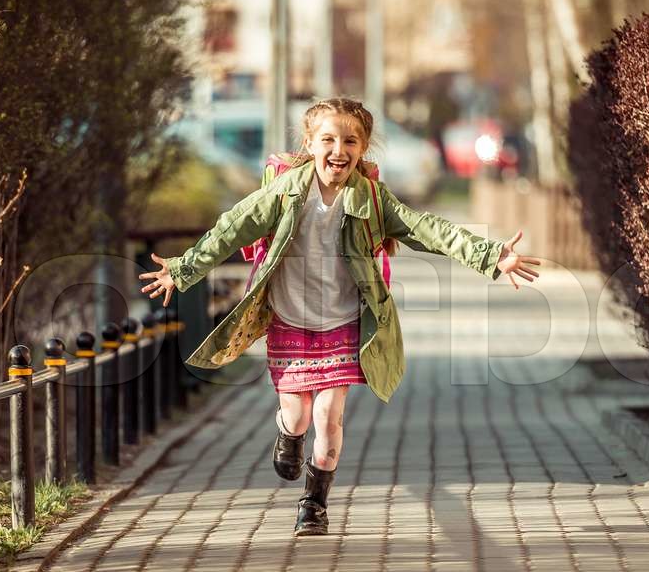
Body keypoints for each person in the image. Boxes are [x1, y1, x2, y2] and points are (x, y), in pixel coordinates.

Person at [139, 97, 540, 536]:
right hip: (290, 321)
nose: (339, 149)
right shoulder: (286, 192)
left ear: (362, 149)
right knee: (298, 417)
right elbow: (232, 226)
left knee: (329, 417)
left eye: (350, 140)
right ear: (310, 144)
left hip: (344, 323)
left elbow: (427, 229)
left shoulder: (370, 197)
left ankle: (313, 505)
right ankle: (287, 435)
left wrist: (491, 255)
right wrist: (183, 269)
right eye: (328, 139)